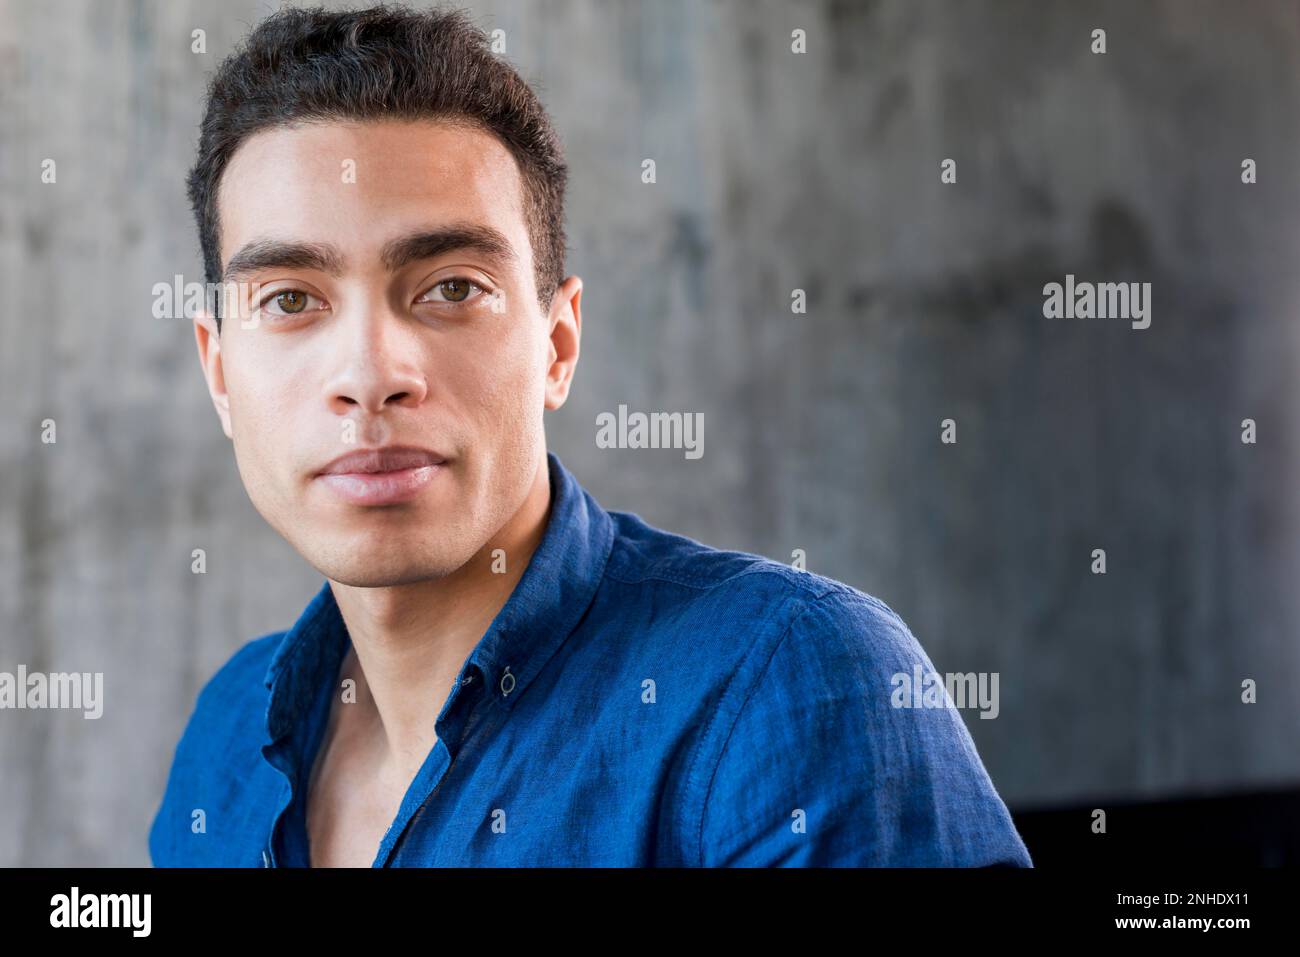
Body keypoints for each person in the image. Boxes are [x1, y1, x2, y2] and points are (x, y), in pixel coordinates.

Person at [149, 3, 1032, 868]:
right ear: (221, 373)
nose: (372, 374)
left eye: (451, 287)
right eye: (291, 299)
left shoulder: (788, 684)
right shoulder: (227, 735)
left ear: (557, 346)